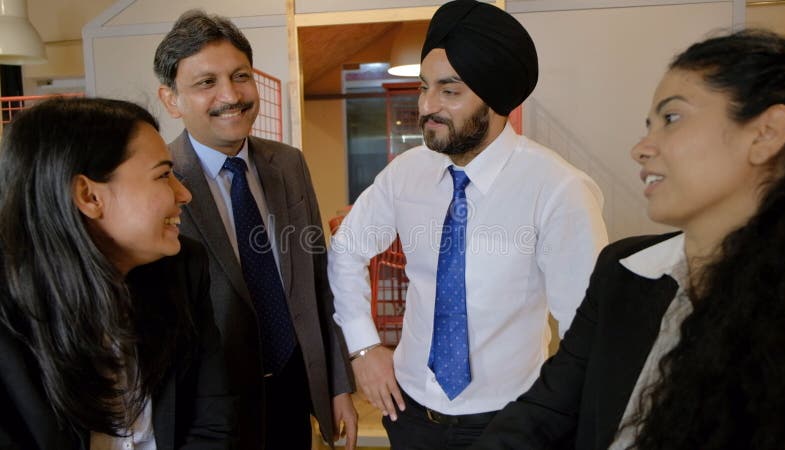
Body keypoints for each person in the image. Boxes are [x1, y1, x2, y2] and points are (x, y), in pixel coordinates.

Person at [470, 29, 785, 450]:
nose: (641, 149)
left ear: (765, 134)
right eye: (649, 125)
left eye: (672, 119)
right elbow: (548, 411)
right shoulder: (623, 271)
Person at [328, 1, 608, 448]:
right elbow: (347, 249)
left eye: (449, 91)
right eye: (423, 88)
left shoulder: (557, 189)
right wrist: (363, 348)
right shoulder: (407, 173)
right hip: (410, 414)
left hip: (511, 421)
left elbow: (585, 326)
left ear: (495, 100)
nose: (426, 106)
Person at [153, 10, 357, 450]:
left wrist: (338, 385)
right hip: (209, 409)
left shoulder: (288, 162)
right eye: (206, 83)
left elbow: (318, 281)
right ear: (171, 100)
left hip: (292, 382)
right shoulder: (159, 180)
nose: (231, 95)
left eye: (239, 76)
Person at [0, 97, 235, 448]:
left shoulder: (183, 270)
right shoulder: (10, 319)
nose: (183, 194)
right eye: (163, 175)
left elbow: (214, 425)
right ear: (89, 196)